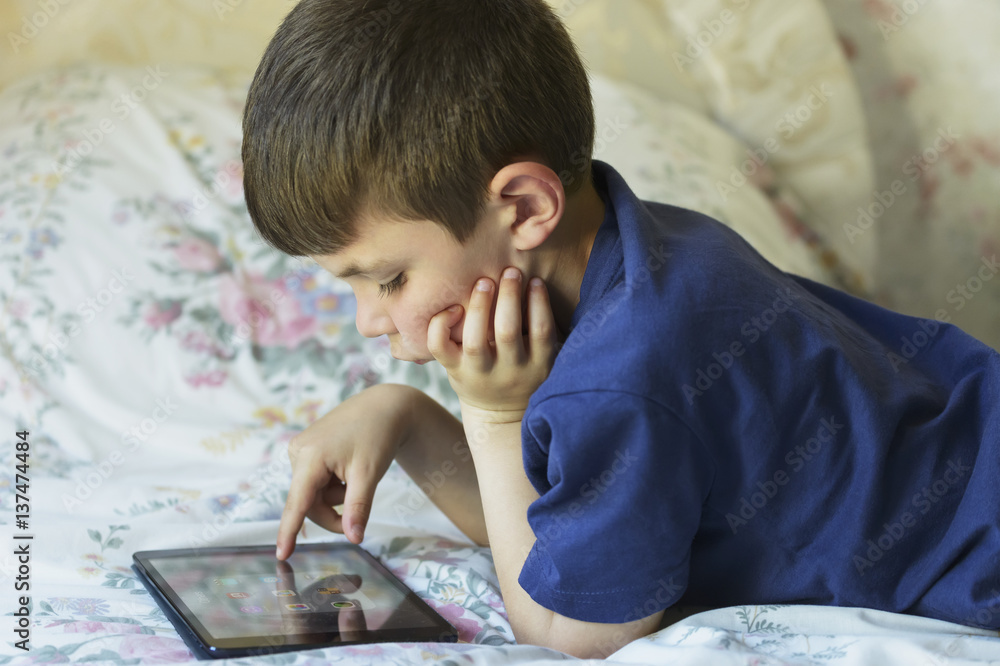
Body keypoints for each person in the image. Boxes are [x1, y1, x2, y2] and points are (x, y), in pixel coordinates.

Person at [240, 0, 1000, 657]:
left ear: (526, 210)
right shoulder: (641, 244)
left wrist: (494, 413)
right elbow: (560, 529)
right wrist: (403, 415)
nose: (372, 321)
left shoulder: (628, 373)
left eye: (387, 279)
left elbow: (575, 633)